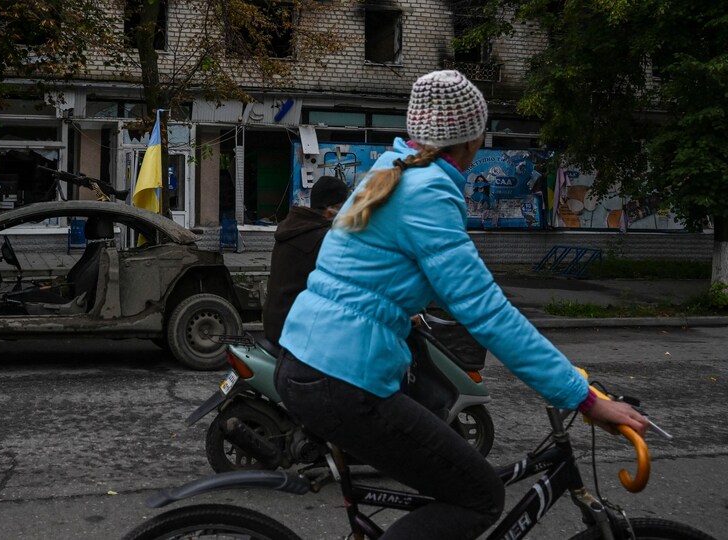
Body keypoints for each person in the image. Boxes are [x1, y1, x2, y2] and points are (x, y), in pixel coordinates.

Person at [273, 70, 648, 540]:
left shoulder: (395, 167)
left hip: (310, 361)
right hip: (343, 379)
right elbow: (486, 312)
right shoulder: (427, 190)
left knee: (443, 468)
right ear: (472, 138)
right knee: (479, 495)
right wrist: (583, 397)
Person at [262, 175, 348, 346]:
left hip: (275, 322)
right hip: (295, 329)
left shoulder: (295, 227)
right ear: (332, 209)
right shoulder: (321, 237)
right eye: (345, 206)